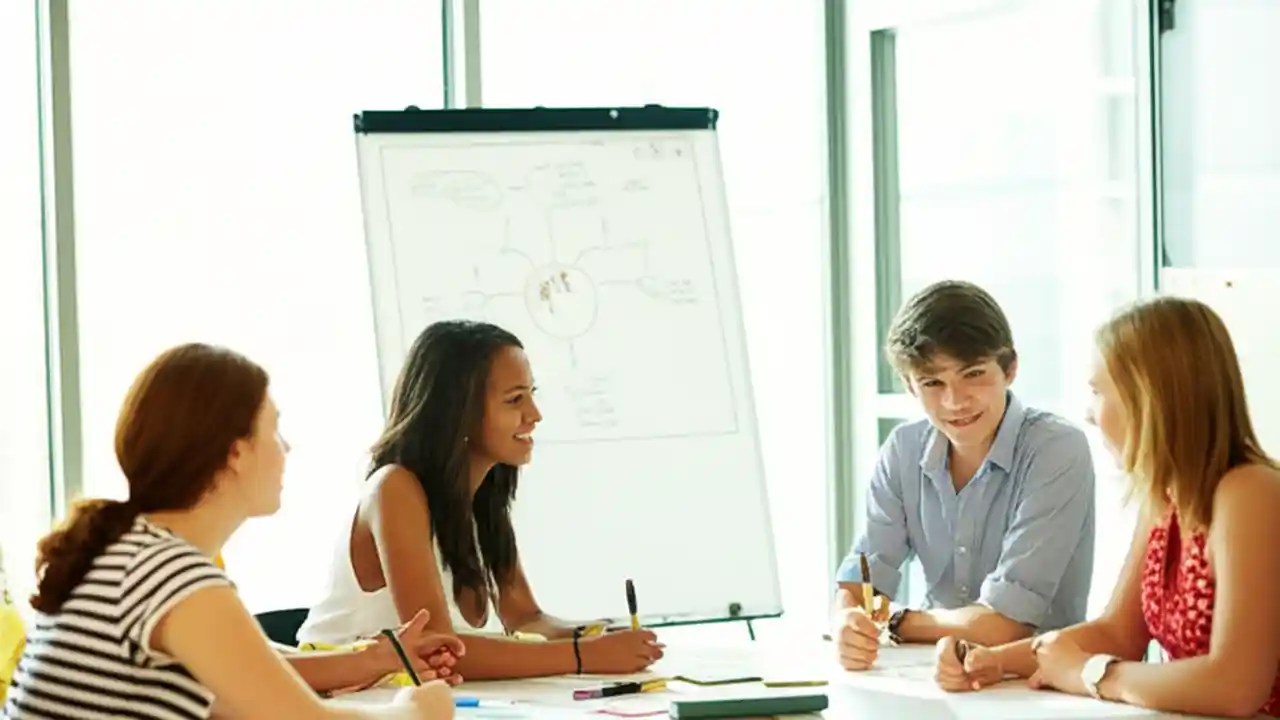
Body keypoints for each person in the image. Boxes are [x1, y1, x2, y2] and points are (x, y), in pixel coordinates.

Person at [3, 344, 457, 719]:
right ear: (236, 453)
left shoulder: (127, 553)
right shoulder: (168, 573)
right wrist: (417, 710)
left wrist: (375, 659)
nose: (287, 447)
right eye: (274, 429)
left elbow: (252, 683)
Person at [933, 296, 1280, 718]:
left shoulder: (1250, 492)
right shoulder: (1163, 499)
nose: (1090, 414)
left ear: (1150, 396)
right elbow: (1119, 632)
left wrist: (1091, 674)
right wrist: (996, 661)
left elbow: (1235, 686)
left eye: (1098, 391)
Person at [298, 320, 663, 680]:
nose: (535, 415)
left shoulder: (482, 501)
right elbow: (439, 647)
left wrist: (597, 634)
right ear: (458, 411)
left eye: (532, 394)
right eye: (515, 399)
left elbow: (527, 620)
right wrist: (582, 656)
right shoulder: (394, 489)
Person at [833, 280, 1095, 671]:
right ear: (909, 384)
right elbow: (865, 580)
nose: (955, 401)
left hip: (1034, 684)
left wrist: (894, 620)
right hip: (928, 673)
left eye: (973, 374)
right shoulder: (903, 449)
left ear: (1010, 368)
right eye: (932, 382)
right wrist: (848, 619)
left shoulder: (1056, 448)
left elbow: (1006, 625)